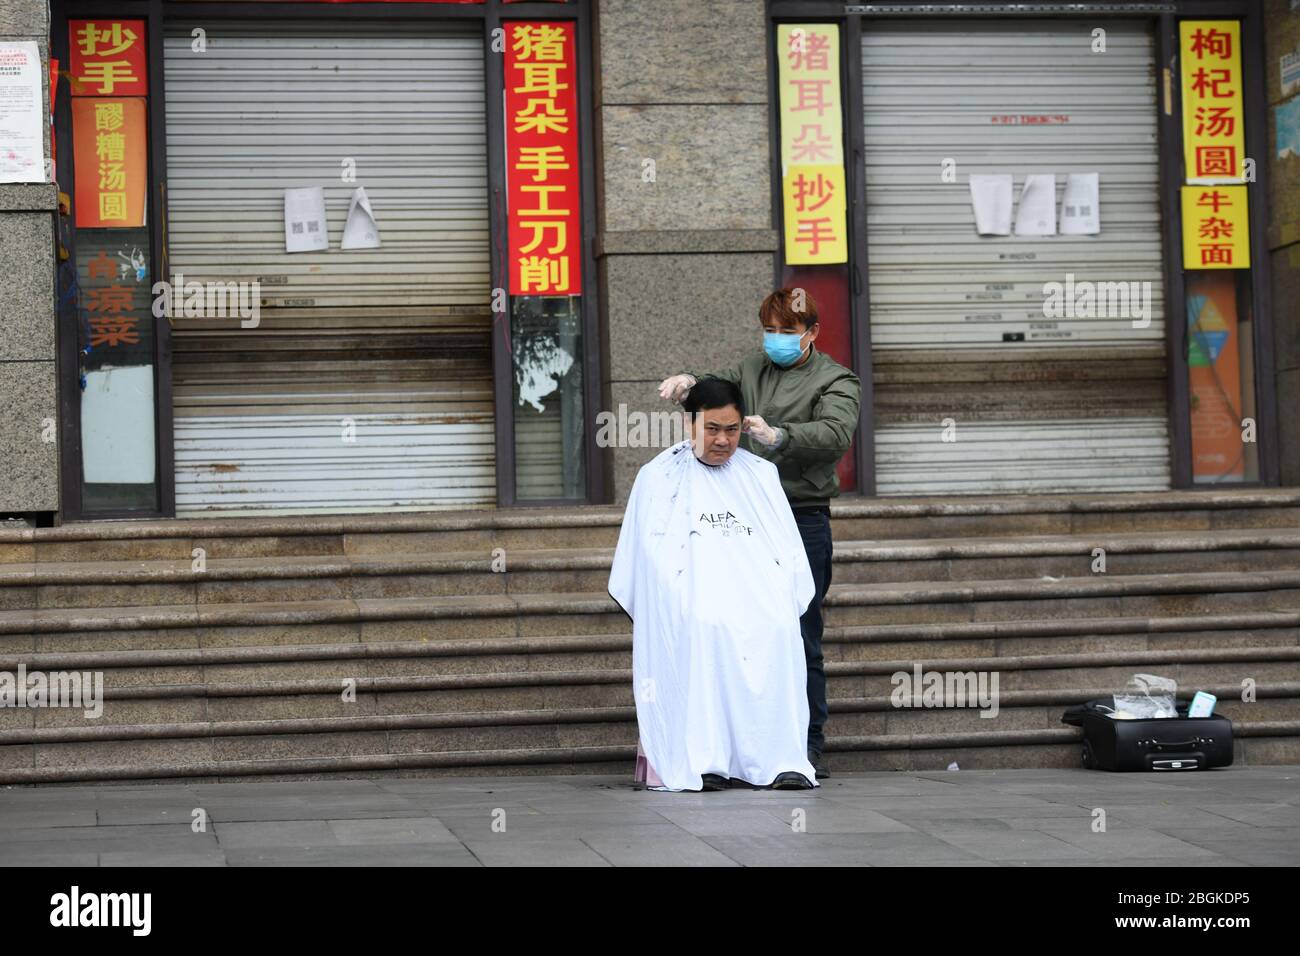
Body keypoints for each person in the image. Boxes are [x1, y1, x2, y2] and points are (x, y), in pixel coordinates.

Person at [656, 288, 861, 779]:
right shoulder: (754, 368)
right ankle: (738, 743)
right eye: (768, 331)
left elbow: (836, 434)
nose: (775, 341)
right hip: (743, 512)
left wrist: (780, 436)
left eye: (786, 333)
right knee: (738, 625)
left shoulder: (837, 379)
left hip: (799, 512)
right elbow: (716, 386)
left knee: (798, 627)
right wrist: (689, 381)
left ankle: (806, 744)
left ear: (811, 333)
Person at [607, 377, 818, 792]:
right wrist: (683, 595)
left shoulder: (761, 474)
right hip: (691, 597)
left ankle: (778, 760)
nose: (723, 440)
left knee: (778, 628)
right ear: (690, 425)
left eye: (732, 430)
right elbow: (647, 556)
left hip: (756, 597)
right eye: (712, 429)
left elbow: (786, 549)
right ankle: (704, 759)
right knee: (703, 624)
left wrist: (773, 593)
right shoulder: (658, 477)